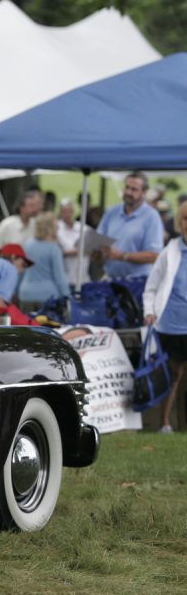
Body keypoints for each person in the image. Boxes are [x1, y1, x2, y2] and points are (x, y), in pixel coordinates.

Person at [142, 201, 187, 433]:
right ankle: (165, 423)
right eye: (186, 219)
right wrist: (149, 312)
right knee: (173, 376)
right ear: (180, 223)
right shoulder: (169, 252)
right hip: (170, 325)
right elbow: (151, 287)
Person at [96, 171, 164, 279]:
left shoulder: (152, 217)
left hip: (137, 283)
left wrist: (122, 256)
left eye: (134, 189)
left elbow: (154, 255)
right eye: (127, 187)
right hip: (110, 278)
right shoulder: (112, 212)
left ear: (144, 193)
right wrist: (99, 253)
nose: (128, 192)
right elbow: (98, 240)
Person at [18, 212, 70, 311]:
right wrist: (67, 296)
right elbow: (59, 277)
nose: (58, 228)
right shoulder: (54, 249)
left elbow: (21, 270)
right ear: (49, 228)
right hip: (48, 295)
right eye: (56, 226)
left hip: (26, 293)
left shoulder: (27, 245)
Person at [56, 197, 89, 286]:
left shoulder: (83, 228)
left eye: (69, 211)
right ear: (60, 212)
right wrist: (76, 251)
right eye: (64, 212)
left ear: (73, 211)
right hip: (66, 278)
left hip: (83, 277)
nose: (67, 214)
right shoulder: (56, 228)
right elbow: (56, 252)